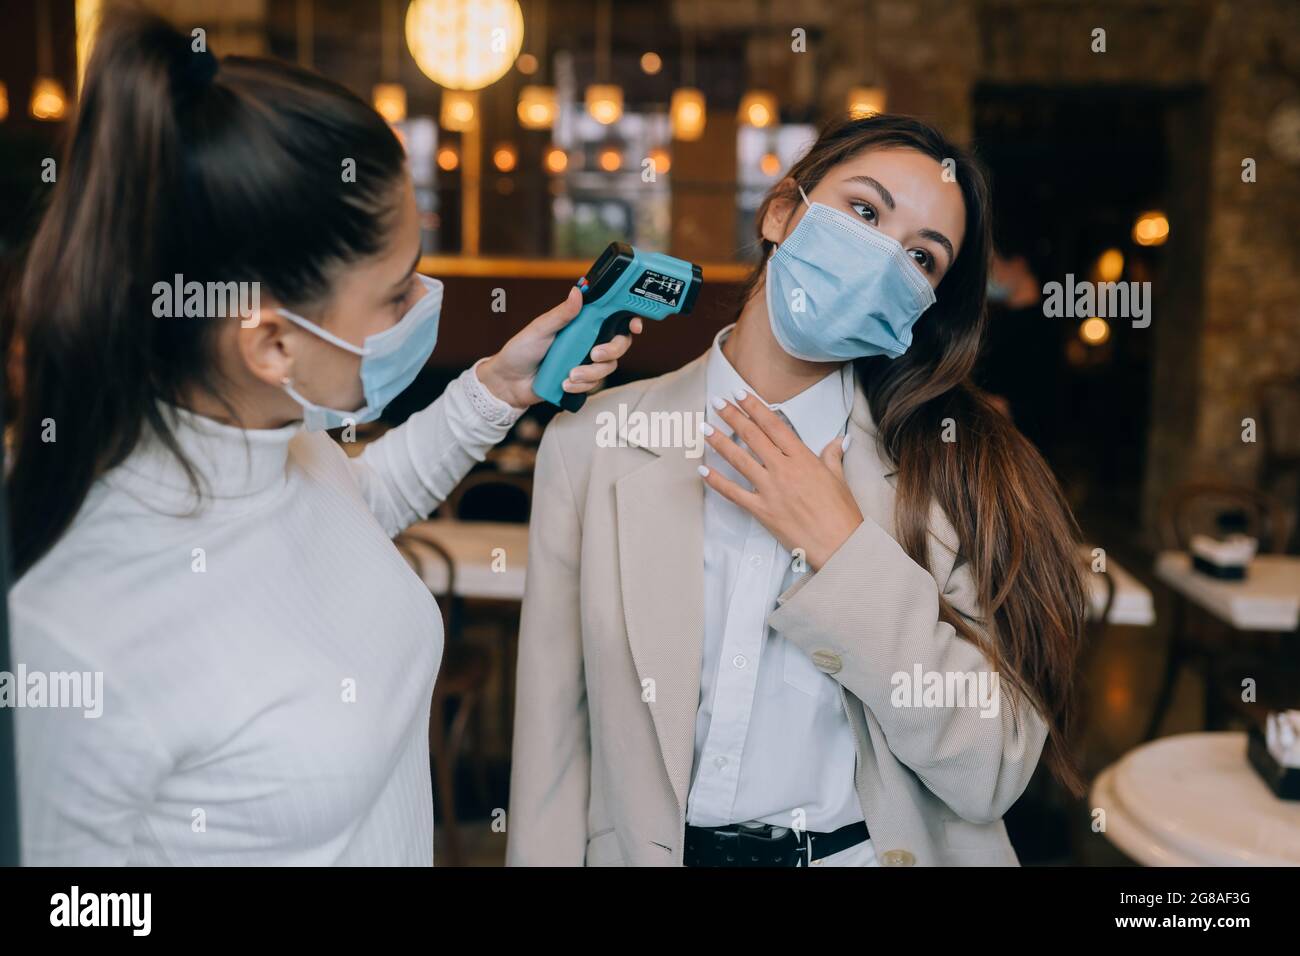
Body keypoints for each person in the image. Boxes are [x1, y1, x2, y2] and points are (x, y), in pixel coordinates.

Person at [6, 9, 641, 865]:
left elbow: (355, 506)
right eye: (394, 293)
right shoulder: (72, 632)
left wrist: (499, 386)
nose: (424, 303)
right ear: (271, 342)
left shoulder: (285, 441)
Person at [507, 114, 1089, 867]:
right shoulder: (592, 444)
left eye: (921, 256)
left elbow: (995, 769)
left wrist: (845, 553)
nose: (883, 257)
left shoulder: (956, 471)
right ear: (782, 210)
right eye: (865, 211)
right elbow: (552, 742)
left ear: (919, 312)